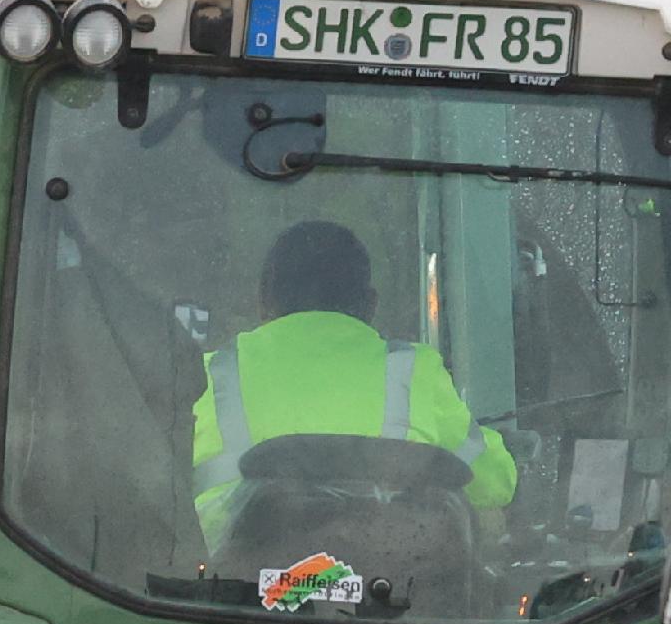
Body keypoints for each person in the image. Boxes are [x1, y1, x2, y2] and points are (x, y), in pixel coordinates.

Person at [190, 217, 518, 544]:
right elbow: (496, 484)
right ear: (370, 305)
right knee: (487, 520)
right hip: (390, 568)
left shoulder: (209, 374)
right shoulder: (414, 369)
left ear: (263, 301)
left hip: (235, 571)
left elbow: (167, 491)